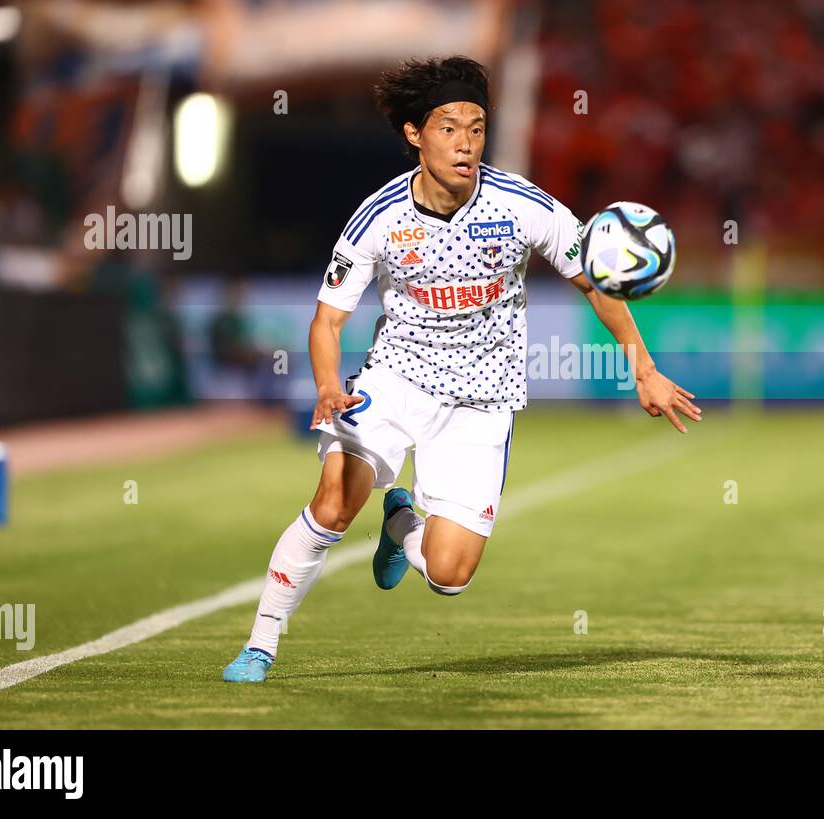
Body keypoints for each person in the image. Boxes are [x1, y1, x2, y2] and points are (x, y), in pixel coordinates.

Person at [223, 55, 700, 683]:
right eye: (449, 127)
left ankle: (401, 524)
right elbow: (327, 321)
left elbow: (597, 283)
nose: (466, 143)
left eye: (476, 128)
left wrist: (643, 366)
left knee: (449, 576)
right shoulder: (379, 217)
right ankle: (260, 645)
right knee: (335, 502)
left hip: (483, 399)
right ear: (415, 135)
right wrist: (329, 386)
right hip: (394, 381)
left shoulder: (524, 206)